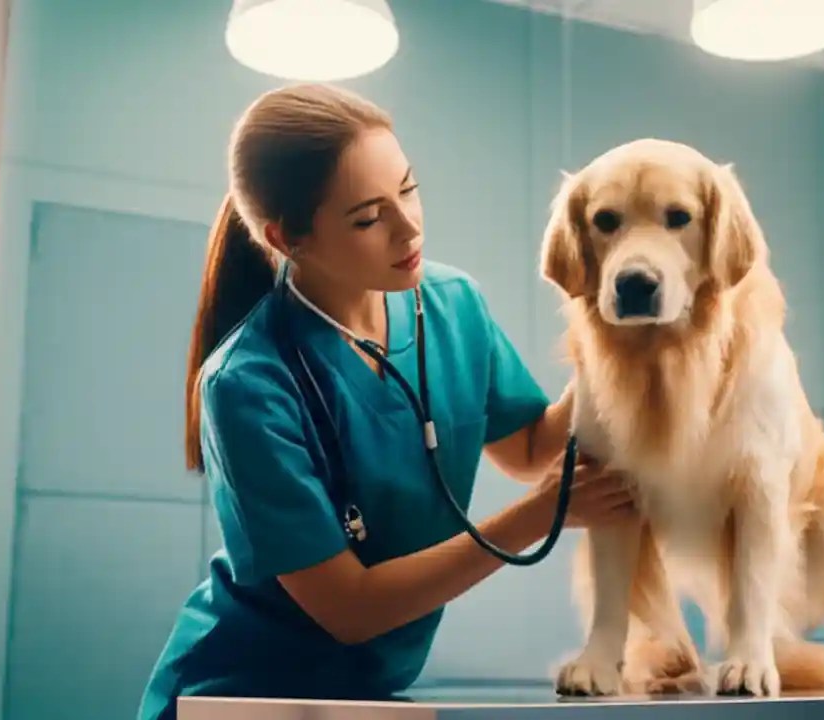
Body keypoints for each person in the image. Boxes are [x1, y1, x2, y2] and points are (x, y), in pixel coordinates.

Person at [137, 83, 636, 719]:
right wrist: (539, 516)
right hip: (241, 693)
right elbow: (351, 608)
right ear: (289, 239)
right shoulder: (246, 384)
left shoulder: (454, 304)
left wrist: (607, 340)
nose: (409, 227)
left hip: (368, 696)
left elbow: (533, 448)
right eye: (369, 218)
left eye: (408, 188)